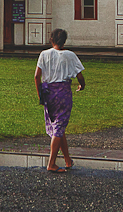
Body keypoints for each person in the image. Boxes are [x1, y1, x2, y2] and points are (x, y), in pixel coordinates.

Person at [34, 28, 85, 173]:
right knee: (59, 126)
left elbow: (37, 76)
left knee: (58, 125)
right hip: (63, 93)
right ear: (64, 41)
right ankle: (51, 163)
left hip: (48, 92)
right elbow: (79, 75)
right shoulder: (70, 55)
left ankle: (68, 160)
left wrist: (40, 95)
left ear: (51, 40)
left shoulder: (44, 54)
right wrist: (82, 85)